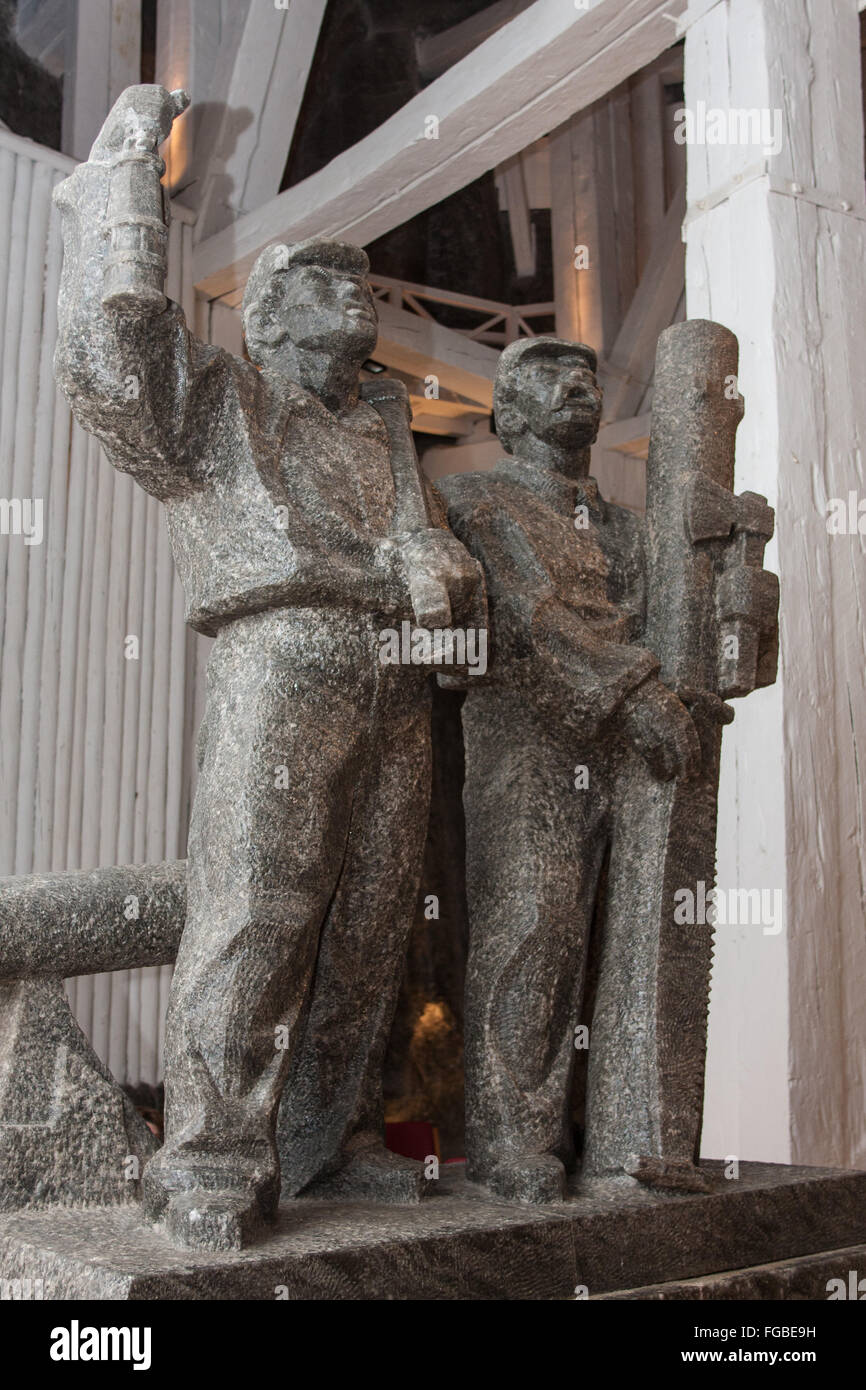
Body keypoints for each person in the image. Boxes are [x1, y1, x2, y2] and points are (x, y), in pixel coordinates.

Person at [54, 85, 481, 1250]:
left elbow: (454, 580)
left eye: (363, 283)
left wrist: (441, 560)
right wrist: (123, 205)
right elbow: (115, 367)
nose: (357, 299)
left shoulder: (386, 431)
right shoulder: (225, 403)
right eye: (328, 285)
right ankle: (206, 1154)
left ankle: (321, 1138)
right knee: (258, 907)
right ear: (274, 318)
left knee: (372, 917)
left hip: (393, 671)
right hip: (284, 654)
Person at [437, 336, 700, 1203]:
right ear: (506, 416)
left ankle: (632, 1136)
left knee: (639, 930)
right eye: (548, 374)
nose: (576, 383)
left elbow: (681, 629)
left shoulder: (635, 528)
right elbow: (531, 613)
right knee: (535, 928)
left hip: (632, 743)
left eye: (585, 372)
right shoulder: (475, 499)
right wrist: (632, 694)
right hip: (529, 740)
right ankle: (514, 1138)